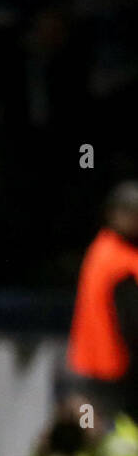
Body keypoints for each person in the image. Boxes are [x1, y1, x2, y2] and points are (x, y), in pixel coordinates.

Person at [66, 180, 138, 421]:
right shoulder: (122, 261)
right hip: (115, 375)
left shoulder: (101, 247)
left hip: (86, 369)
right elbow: (132, 323)